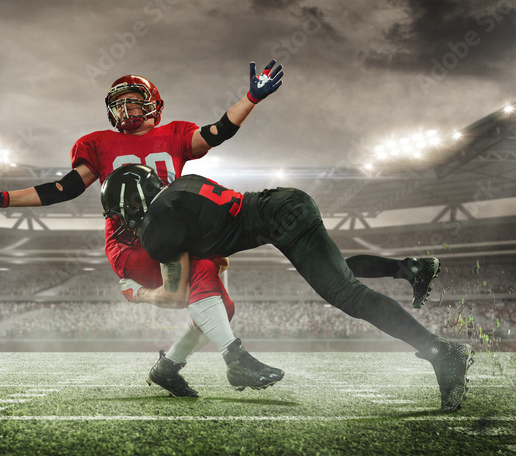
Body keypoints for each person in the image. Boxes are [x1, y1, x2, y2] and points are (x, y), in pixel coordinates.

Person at [0, 61, 286, 396]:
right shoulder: (97, 143)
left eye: (133, 100)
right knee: (201, 273)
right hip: (131, 241)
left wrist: (250, 98)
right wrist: (3, 199)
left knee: (221, 309)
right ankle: (235, 360)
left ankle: (168, 368)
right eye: (119, 103)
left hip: (175, 233)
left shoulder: (176, 133)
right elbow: (63, 189)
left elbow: (218, 131)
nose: (126, 108)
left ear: (153, 101)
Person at [101, 164, 473, 412]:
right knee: (337, 275)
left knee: (346, 294)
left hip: (281, 222)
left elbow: (177, 294)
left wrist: (138, 293)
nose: (123, 222)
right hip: (283, 203)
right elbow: (216, 236)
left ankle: (441, 352)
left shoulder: (156, 226)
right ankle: (410, 269)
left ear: (132, 204)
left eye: (120, 213)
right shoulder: (183, 185)